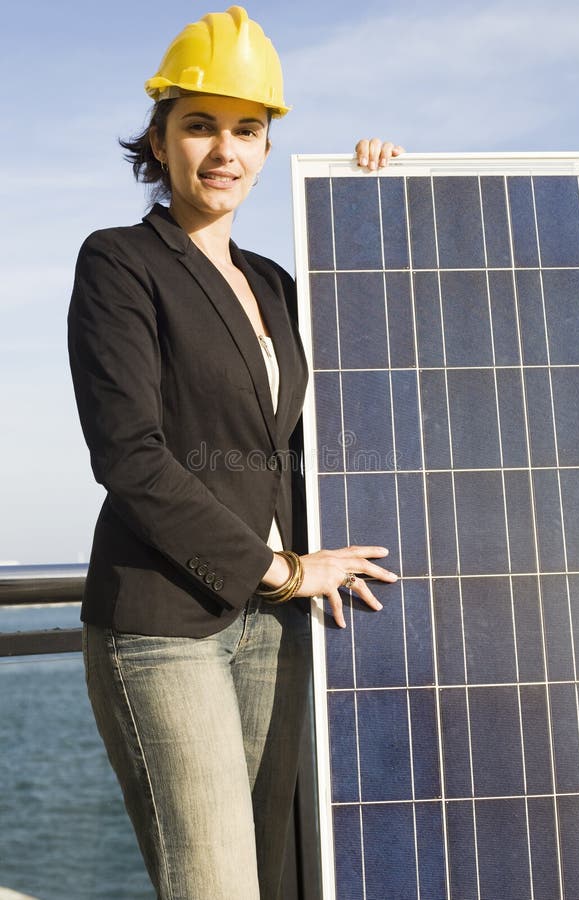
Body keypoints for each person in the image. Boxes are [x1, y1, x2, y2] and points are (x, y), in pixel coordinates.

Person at [67, 6, 400, 899]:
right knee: (214, 883)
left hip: (271, 628)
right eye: (200, 125)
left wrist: (378, 207)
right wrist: (280, 569)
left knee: (269, 870)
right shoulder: (119, 263)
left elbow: (366, 378)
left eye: (247, 129)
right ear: (160, 137)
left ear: (266, 144)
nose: (225, 149)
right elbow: (130, 456)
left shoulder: (274, 283)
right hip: (162, 625)